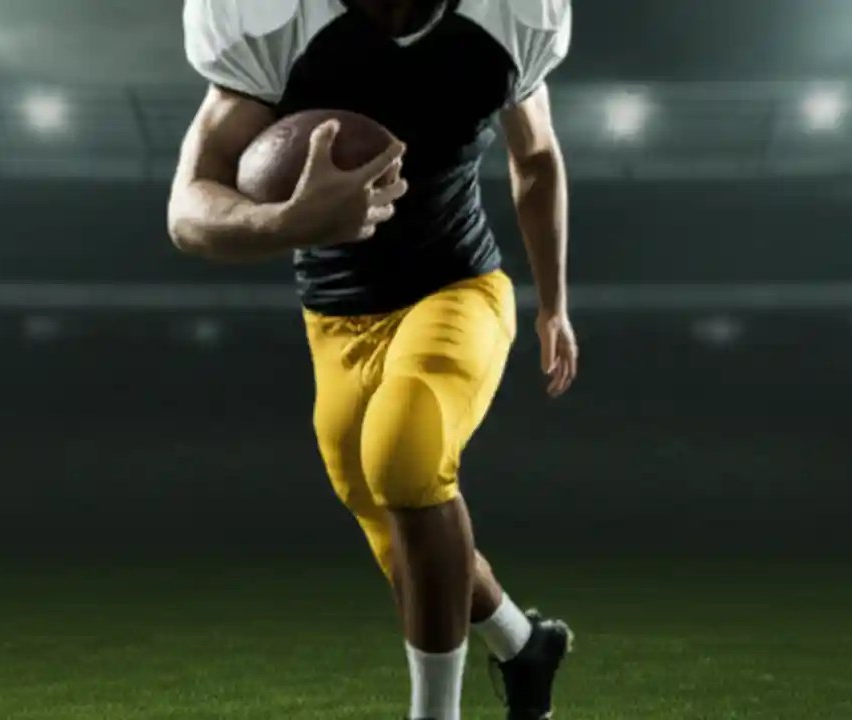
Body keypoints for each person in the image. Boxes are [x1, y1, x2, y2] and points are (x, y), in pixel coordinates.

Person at [168, 1, 577, 717]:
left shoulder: (506, 17)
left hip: (457, 286)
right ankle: (523, 644)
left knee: (406, 460)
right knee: (402, 534)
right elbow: (188, 207)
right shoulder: (273, 23)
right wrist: (287, 223)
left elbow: (536, 157)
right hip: (334, 316)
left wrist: (552, 305)